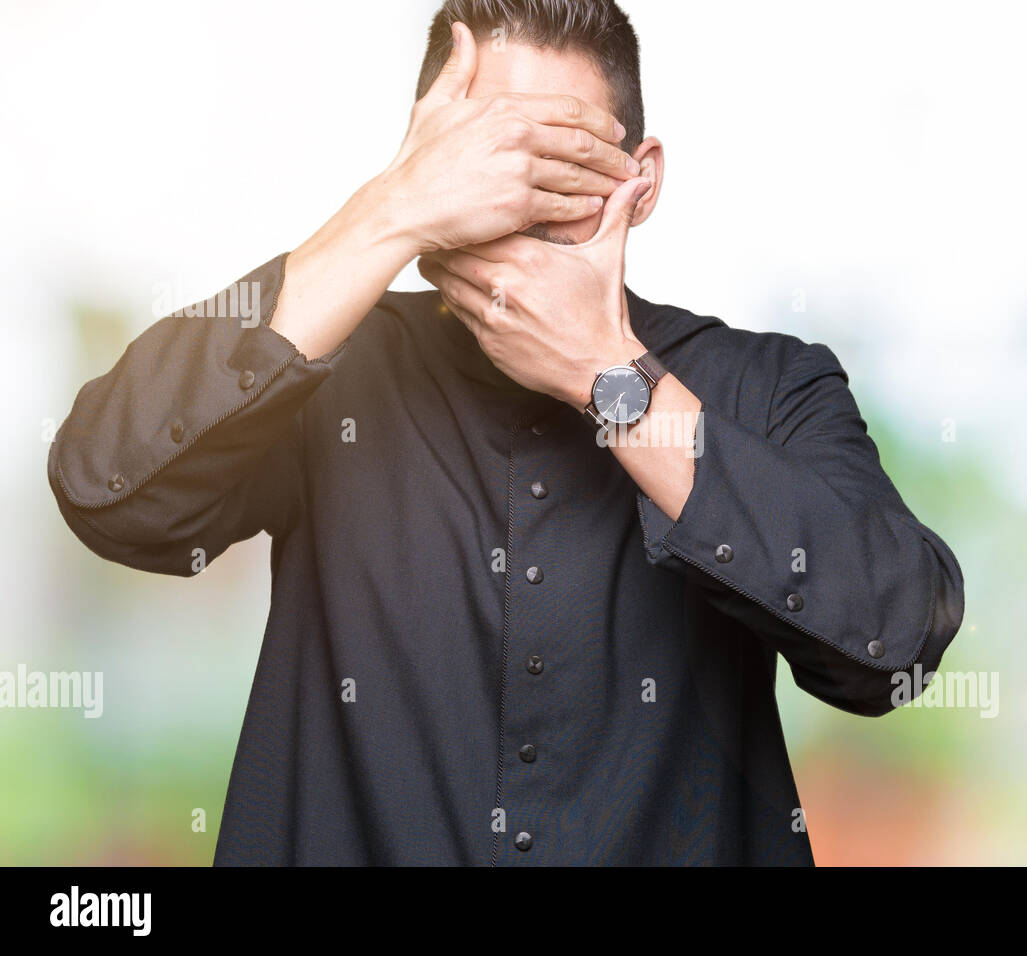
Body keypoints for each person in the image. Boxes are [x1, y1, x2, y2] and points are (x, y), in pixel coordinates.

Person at [48, 0, 964, 866]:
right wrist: (390, 213)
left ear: (640, 184)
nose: (510, 206)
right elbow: (109, 490)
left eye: (558, 164)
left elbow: (894, 647)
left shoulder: (766, 383)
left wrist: (610, 376)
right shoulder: (333, 365)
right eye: (480, 162)